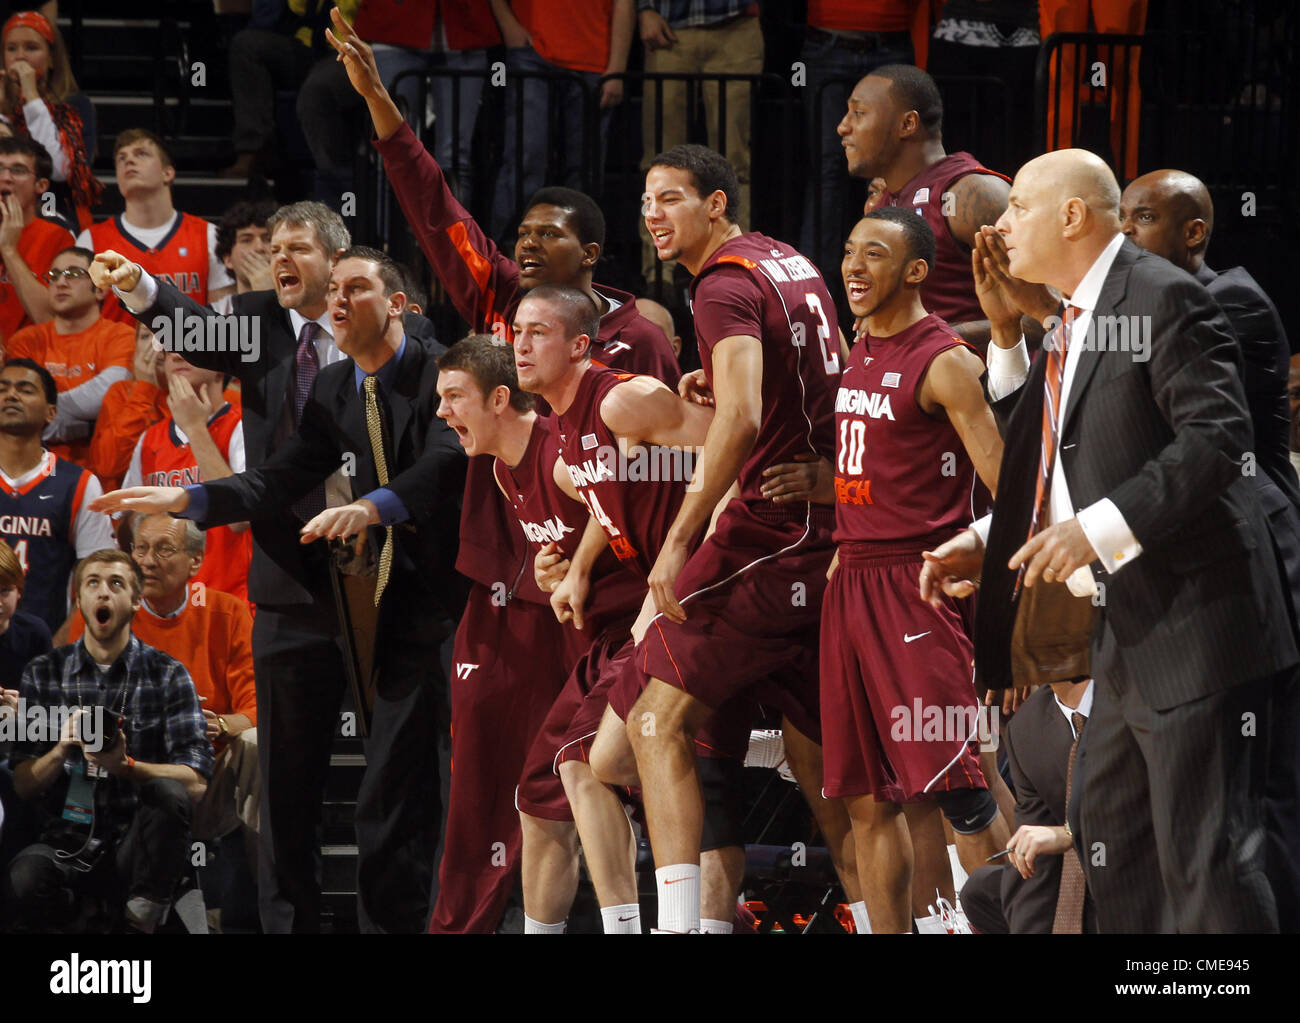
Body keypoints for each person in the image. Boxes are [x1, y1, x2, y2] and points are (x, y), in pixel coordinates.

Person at [329, 11, 679, 932]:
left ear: (592, 258)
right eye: (519, 235)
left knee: (591, 770)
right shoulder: (502, 310)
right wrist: (382, 107)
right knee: (500, 778)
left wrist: (606, 561)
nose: (523, 247)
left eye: (546, 237)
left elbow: (674, 467)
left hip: (615, 591)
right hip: (511, 578)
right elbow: (433, 208)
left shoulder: (639, 338)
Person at [920, 148, 1297, 932]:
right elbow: (1073, 460)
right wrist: (994, 538)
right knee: (1111, 842)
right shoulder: (1073, 316)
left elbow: (1219, 438)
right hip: (1124, 628)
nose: (999, 222)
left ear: (1070, 216)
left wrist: (1096, 531)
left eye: (1018, 205)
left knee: (1205, 854)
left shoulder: (1163, 296)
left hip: (1198, 622)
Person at [90, 245, 467, 935]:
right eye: (336, 294)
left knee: (398, 793)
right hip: (354, 595)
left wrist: (372, 506)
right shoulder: (331, 389)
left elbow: (448, 461)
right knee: (329, 790)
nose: (338, 302)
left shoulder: (446, 370)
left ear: (399, 306)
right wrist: (190, 502)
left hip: (433, 604)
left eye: (356, 288)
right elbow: (278, 477)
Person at [590, 143, 842, 934]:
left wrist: (678, 541)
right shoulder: (786, 260)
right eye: (646, 200)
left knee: (651, 726)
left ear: (717, 207)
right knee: (831, 771)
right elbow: (777, 387)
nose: (653, 214)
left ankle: (679, 926)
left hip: (773, 526)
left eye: (671, 198)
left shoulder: (721, 284)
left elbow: (735, 419)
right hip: (829, 523)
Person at [1119, 167, 1300, 931]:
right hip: (1196, 553)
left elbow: (1119, 375)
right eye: (1121, 219)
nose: (1127, 236)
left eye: (1145, 220)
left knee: (1261, 790)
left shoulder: (1225, 300)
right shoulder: (1171, 296)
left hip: (1257, 544)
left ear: (1195, 231)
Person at [822, 208, 1009, 934]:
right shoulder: (859, 348)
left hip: (918, 587)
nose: (854, 265)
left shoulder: (945, 361)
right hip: (851, 584)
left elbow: (1006, 483)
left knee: (960, 790)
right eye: (848, 250)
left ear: (918, 271)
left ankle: (1005, 926)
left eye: (875, 253)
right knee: (868, 800)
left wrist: (996, 588)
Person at [4, 549, 211, 934]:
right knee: (25, 877)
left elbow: (195, 783)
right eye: (92, 583)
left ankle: (140, 922)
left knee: (169, 792)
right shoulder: (43, 672)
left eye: (116, 584)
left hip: (137, 845)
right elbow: (22, 782)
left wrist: (126, 766)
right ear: (78, 599)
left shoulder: (168, 674)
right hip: (65, 840)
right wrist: (61, 747)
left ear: (135, 601)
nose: (103, 593)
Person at [68, 513, 257, 847]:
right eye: (140, 549)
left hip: (203, 779)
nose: (147, 561)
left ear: (196, 561)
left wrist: (220, 726)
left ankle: (271, 892)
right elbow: (70, 702)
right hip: (121, 774)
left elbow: (258, 708)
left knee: (256, 744)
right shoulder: (101, 614)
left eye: (164, 549)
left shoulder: (227, 613)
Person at [837, 64, 1011, 344]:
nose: (843, 127)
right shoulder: (880, 202)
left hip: (973, 382)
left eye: (858, 114)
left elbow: (1051, 314)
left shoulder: (973, 194)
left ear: (907, 124)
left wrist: (930, 339)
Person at [636, 1, 764, 288]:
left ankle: (738, 264)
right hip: (669, 28)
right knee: (657, 162)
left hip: (736, 26)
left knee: (735, 161)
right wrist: (644, 10)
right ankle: (658, 275)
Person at [486, 0, 634, 242]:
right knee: (525, 161)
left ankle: (574, 261)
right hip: (532, 52)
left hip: (593, 57)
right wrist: (509, 27)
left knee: (583, 171)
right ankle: (507, 260)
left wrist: (617, 67)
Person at [960, 679, 1097, 934]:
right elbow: (1036, 863)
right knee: (979, 890)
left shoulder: (1132, 695)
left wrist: (1070, 834)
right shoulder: (1026, 726)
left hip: (1135, 869)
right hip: (1079, 872)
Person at [121, 351, 252, 604]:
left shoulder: (243, 426)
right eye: (171, 353)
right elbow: (127, 523)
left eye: (189, 349)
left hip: (226, 601)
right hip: (163, 606)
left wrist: (195, 429)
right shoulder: (150, 439)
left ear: (219, 367)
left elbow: (239, 517)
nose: (178, 357)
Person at [0, 359, 113, 633]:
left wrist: (59, 648)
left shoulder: (79, 484)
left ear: (51, 413)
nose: (11, 395)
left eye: (25, 389)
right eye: (2, 388)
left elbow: (99, 580)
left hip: (43, 645)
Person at [78, 129, 235, 324]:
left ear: (167, 173)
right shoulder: (91, 240)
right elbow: (79, 322)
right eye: (121, 158)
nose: (129, 161)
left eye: (141, 154)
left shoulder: (209, 235)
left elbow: (221, 319)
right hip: (118, 353)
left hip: (188, 352)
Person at [5, 245, 135, 465]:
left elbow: (108, 392)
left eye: (73, 274)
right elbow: (14, 408)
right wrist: (85, 426)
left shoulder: (121, 336)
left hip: (99, 467)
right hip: (29, 468)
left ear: (101, 289)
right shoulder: (25, 340)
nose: (60, 283)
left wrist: (42, 413)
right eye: (54, 276)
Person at [0, 10, 99, 230]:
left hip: (55, 216)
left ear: (52, 57)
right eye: (11, 48)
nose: (20, 56)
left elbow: (57, 169)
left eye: (31, 47)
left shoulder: (76, 107)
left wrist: (31, 97)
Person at [0, 134, 72, 342]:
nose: (5, 177)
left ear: (40, 186)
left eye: (18, 170)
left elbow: (48, 318)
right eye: (0, 168)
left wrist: (9, 250)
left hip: (33, 362)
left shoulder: (58, 238)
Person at [85, 321, 168, 493]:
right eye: (145, 336)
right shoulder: (121, 393)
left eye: (165, 335)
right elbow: (108, 467)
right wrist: (145, 389)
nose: (155, 345)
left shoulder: (216, 395)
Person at [212, 198, 276, 313]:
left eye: (268, 239)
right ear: (228, 260)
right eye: (246, 240)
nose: (259, 247)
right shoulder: (215, 313)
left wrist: (270, 298)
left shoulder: (299, 309)